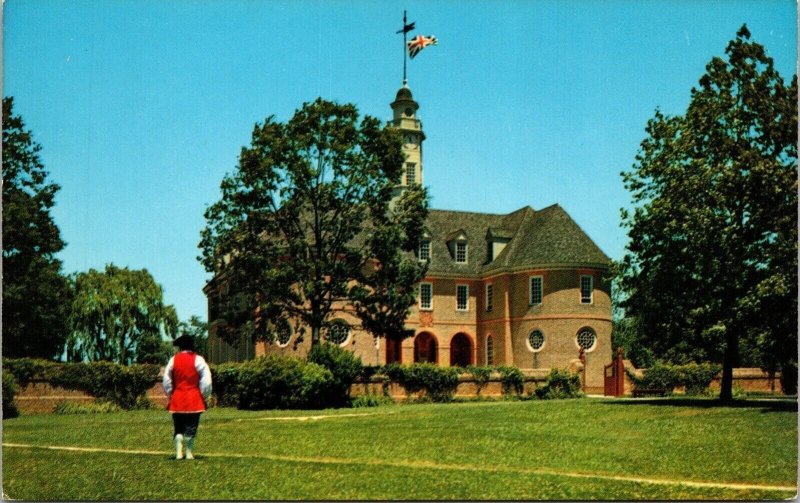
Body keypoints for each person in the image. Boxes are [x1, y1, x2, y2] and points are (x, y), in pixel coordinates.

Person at [162, 334, 212, 460]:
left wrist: (170, 394)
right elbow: (206, 381)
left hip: (177, 399)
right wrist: (204, 396)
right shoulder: (199, 360)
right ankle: (189, 453)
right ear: (192, 346)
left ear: (180, 347)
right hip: (194, 399)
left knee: (178, 427)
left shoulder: (173, 360)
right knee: (191, 426)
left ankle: (178, 453)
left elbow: (166, 380)